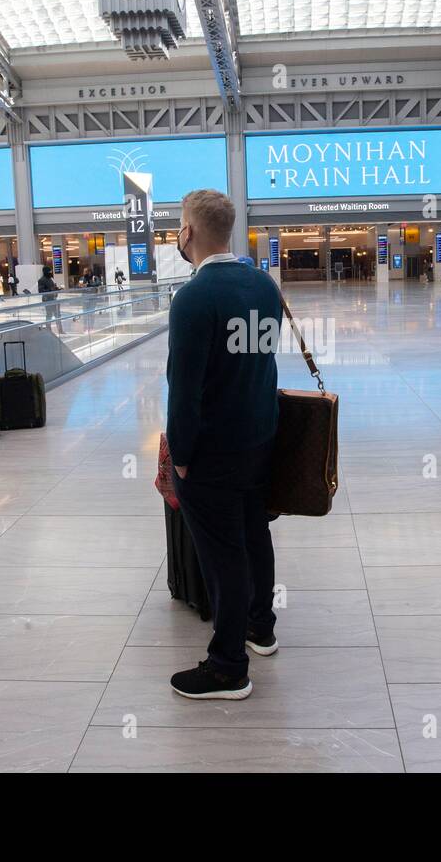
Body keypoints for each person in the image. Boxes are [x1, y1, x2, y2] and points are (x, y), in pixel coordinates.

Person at [166, 188, 282, 701]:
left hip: (213, 452)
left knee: (223, 554)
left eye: (178, 226)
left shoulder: (192, 299)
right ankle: (261, 627)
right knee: (254, 534)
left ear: (188, 232)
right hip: (261, 438)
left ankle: (228, 666)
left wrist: (182, 457)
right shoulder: (263, 285)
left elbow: (184, 391)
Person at [38, 265, 60, 331]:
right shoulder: (41, 280)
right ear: (46, 272)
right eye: (49, 271)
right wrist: (51, 290)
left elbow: (53, 287)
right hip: (47, 300)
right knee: (49, 315)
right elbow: (41, 291)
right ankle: (48, 329)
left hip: (54, 299)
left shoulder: (50, 278)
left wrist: (57, 289)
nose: (51, 272)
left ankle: (60, 329)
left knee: (57, 314)